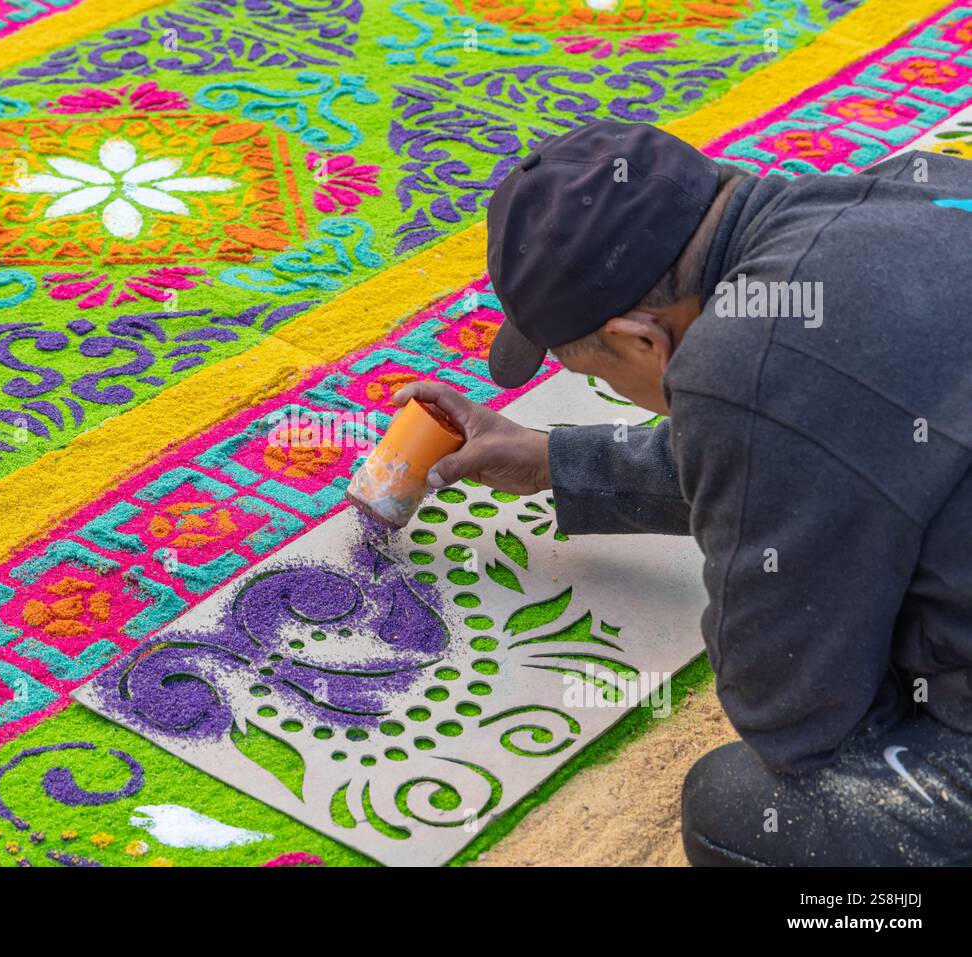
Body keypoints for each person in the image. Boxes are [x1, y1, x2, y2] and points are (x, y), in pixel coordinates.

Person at [395, 119, 972, 866]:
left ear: (642, 339)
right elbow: (817, 431)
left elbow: (798, 719)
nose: (623, 393)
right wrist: (552, 460)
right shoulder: (907, 186)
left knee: (736, 810)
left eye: (602, 377)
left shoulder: (748, 363)